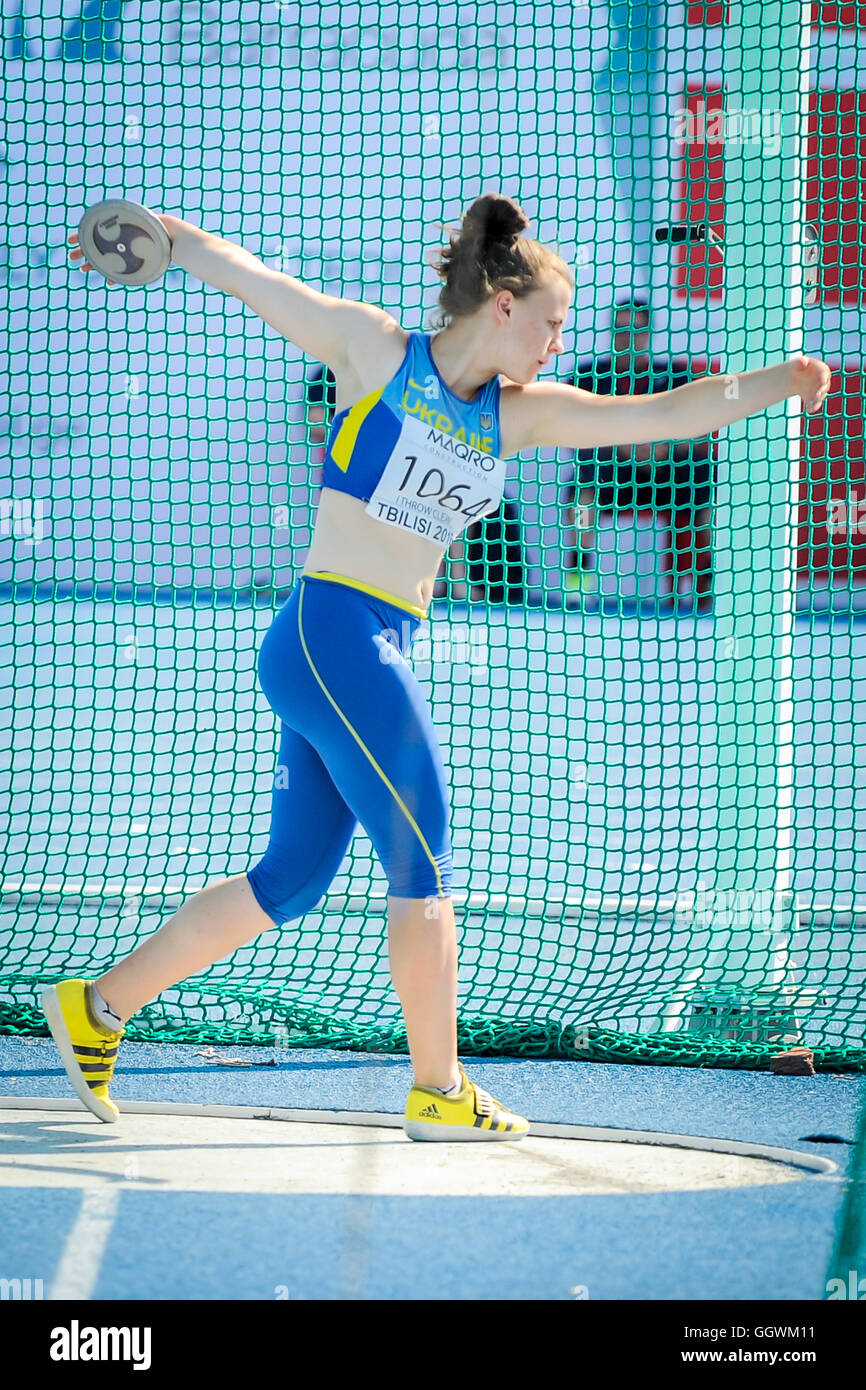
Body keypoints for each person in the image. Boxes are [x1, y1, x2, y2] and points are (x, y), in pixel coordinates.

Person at [54, 193, 829, 1141]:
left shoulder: (517, 417)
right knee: (423, 854)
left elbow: (662, 412)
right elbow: (245, 275)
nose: (557, 342)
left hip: (360, 647)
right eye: (551, 322)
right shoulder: (376, 351)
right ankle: (439, 1089)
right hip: (332, 632)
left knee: (292, 881)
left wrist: (777, 382)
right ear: (503, 305)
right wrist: (156, 240)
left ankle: (96, 1009)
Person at [562, 294, 715, 608]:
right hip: (612, 478)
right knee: (582, 490)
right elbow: (566, 432)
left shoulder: (675, 376)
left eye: (636, 330)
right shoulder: (589, 377)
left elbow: (703, 434)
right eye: (620, 330)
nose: (628, 338)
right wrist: (624, 443)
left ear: (648, 335)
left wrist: (665, 445)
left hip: (667, 478)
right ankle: (578, 581)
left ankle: (705, 585)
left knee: (702, 475)